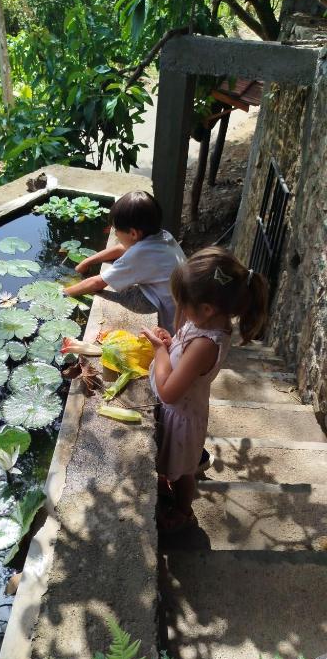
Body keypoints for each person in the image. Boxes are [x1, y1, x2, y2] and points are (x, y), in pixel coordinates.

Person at [142, 246, 268, 533]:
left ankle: (183, 512)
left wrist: (159, 350)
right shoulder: (210, 325)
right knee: (171, 462)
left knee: (184, 474)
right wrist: (171, 342)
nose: (180, 310)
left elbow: (168, 392)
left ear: (207, 308)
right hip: (182, 411)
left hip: (181, 418)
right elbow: (183, 353)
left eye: (182, 305)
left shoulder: (205, 344)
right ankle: (165, 482)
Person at [63, 190, 185, 334]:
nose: (115, 234)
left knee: (114, 291)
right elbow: (123, 248)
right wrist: (88, 261)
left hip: (172, 319)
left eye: (117, 231)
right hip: (181, 302)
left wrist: (65, 292)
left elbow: (98, 282)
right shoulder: (163, 236)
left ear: (133, 233)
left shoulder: (139, 254)